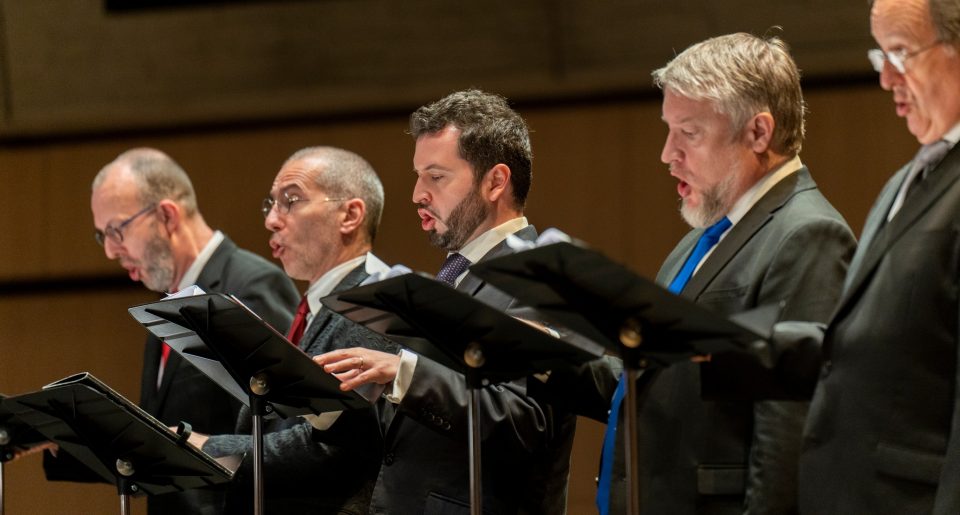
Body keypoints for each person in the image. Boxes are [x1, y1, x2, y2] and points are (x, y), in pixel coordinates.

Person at [559, 33, 855, 514]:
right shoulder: (696, 243)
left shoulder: (808, 234)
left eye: (688, 133)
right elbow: (656, 379)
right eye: (668, 130)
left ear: (759, 133)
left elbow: (786, 431)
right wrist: (546, 353)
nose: (666, 153)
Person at [313, 89, 575, 514]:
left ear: (495, 182)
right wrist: (325, 401)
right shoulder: (455, 275)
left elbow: (527, 421)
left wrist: (404, 373)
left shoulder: (540, 276)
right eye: (418, 176)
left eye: (435, 177)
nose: (417, 194)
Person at [45, 148, 300, 515]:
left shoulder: (250, 287)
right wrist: (66, 434)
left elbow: (280, 440)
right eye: (103, 236)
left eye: (117, 230)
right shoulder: (169, 303)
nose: (112, 252)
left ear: (166, 215)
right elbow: (160, 446)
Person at [799, 0, 960, 512]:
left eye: (900, 52)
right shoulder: (902, 181)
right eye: (879, 56)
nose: (887, 79)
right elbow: (873, 343)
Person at [189, 146, 399, 514]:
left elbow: (337, 447)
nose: (272, 219)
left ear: (349, 215)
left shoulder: (373, 302)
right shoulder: (315, 308)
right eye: (270, 204)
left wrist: (209, 447)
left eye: (291, 201)